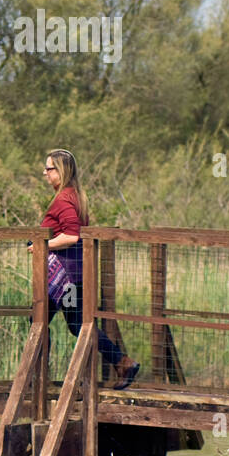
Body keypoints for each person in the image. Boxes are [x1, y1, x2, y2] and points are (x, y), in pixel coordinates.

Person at [39, 149, 140, 389]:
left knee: (37, 320)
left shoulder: (64, 199)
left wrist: (41, 245)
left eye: (49, 168)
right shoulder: (74, 196)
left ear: (61, 171)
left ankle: (39, 378)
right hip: (74, 275)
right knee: (76, 325)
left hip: (62, 278)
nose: (45, 173)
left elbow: (72, 236)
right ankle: (122, 362)